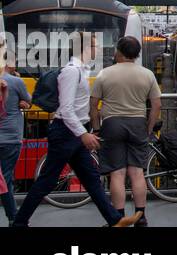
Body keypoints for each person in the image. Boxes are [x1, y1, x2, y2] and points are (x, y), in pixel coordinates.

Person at [11, 32, 139, 227]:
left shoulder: (80, 70)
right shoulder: (72, 72)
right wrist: (83, 133)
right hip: (65, 133)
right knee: (47, 180)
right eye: (95, 46)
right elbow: (67, 108)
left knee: (91, 179)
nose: (97, 50)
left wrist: (82, 132)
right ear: (86, 48)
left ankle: (115, 220)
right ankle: (19, 222)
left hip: (72, 133)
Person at [91, 37, 162, 228]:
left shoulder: (105, 74)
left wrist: (97, 128)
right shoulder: (147, 75)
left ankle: (119, 218)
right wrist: (148, 127)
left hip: (112, 124)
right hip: (138, 123)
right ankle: (141, 217)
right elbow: (156, 105)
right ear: (137, 53)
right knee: (137, 172)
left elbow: (93, 106)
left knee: (117, 173)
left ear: (119, 51)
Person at [0, 49, 31, 223]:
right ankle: (14, 218)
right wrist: (22, 102)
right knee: (5, 178)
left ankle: (14, 217)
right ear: (10, 63)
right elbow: (29, 100)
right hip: (10, 137)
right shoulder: (15, 81)